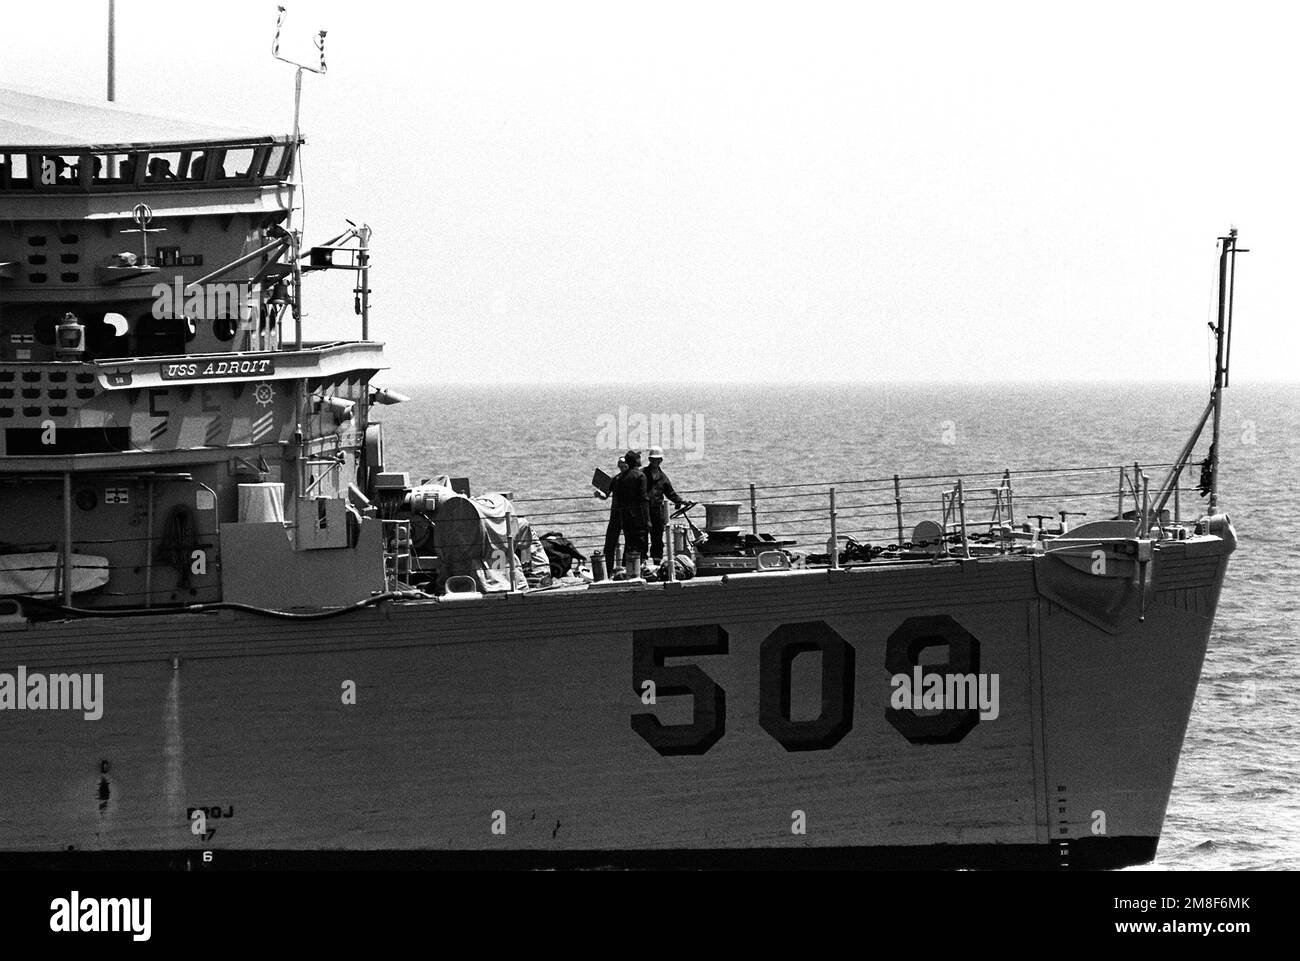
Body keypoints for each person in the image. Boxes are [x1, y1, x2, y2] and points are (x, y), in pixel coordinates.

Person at [644, 446, 691, 563]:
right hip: (644, 510)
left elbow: (671, 493)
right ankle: (641, 563)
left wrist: (682, 501)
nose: (656, 461)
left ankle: (656, 562)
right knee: (642, 538)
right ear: (649, 460)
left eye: (658, 459)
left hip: (657, 511)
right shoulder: (642, 474)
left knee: (657, 539)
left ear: (661, 460)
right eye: (654, 459)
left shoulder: (663, 477)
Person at [603, 450, 648, 567]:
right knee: (630, 543)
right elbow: (643, 499)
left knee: (627, 542)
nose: (622, 467)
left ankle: (620, 567)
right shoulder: (635, 476)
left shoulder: (621, 478)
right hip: (627, 515)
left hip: (623, 514)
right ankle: (619, 568)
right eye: (620, 466)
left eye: (624, 465)